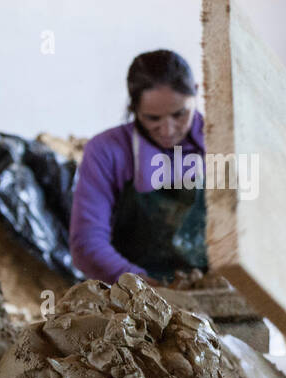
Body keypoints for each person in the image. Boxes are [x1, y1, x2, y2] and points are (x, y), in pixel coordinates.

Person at [69, 49, 207, 284]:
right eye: (153, 119)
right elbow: (87, 243)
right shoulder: (106, 151)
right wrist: (144, 287)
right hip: (132, 291)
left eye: (180, 114)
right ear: (133, 109)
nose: (168, 130)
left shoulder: (226, 142)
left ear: (196, 91)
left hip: (210, 287)